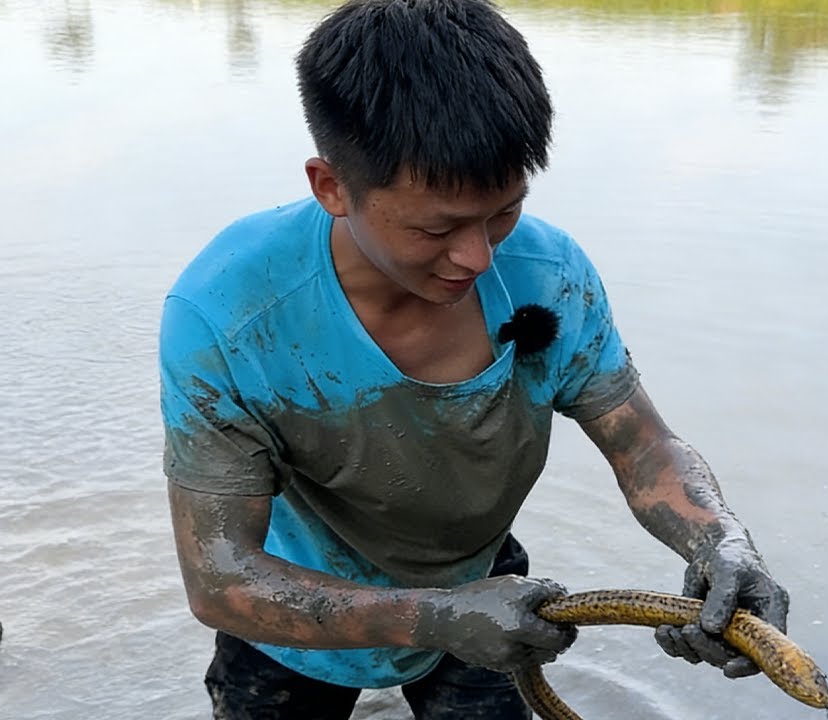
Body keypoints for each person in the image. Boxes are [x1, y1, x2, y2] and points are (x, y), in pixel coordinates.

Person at [158, 0, 791, 717]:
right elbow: (218, 578)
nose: (478, 256)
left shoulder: (549, 272)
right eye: (438, 227)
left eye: (503, 211)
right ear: (331, 186)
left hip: (488, 591)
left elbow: (644, 447)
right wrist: (434, 615)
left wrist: (720, 541)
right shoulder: (229, 317)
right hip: (295, 611)